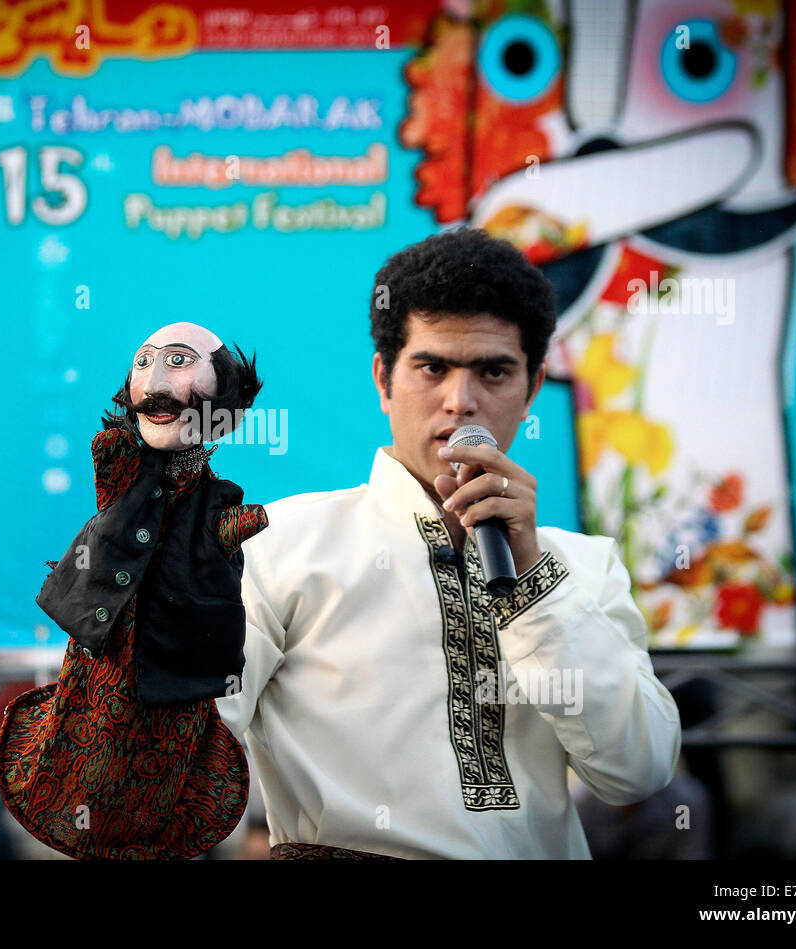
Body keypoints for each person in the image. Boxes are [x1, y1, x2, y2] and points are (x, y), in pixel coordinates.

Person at [213, 227, 682, 859]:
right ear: (384, 379)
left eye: (493, 371)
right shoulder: (278, 545)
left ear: (533, 387)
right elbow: (190, 749)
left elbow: (639, 769)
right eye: (432, 368)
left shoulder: (584, 567)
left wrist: (534, 583)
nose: (461, 402)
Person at [0, 322, 269, 859]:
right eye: (144, 363)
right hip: (98, 697)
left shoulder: (221, 506)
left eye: (177, 361)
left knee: (155, 813)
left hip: (173, 700)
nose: (155, 379)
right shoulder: (122, 465)